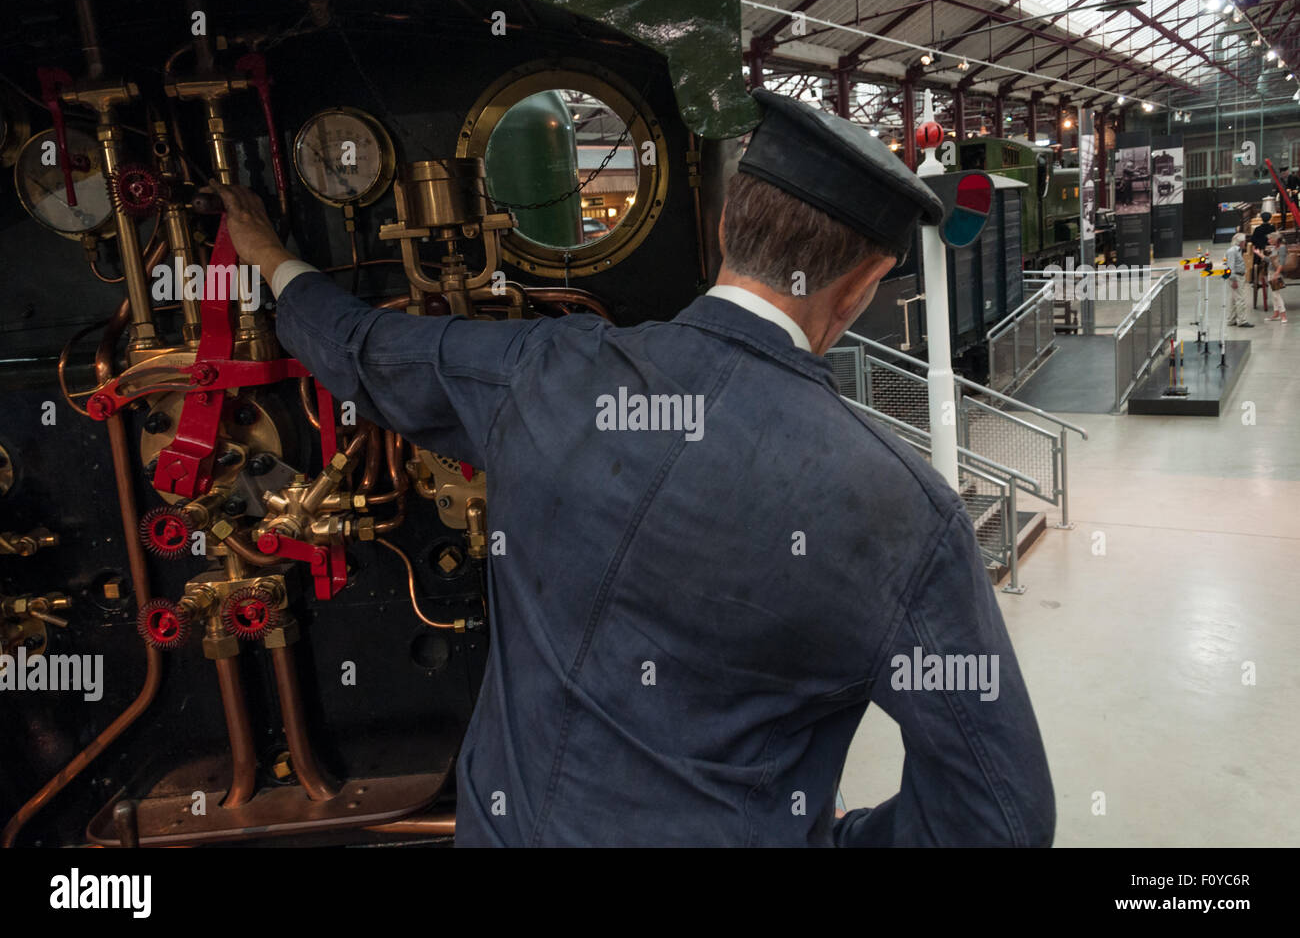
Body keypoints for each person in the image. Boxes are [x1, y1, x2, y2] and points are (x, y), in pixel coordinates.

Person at [208, 88, 1055, 847]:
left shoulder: (534, 372)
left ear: (727, 224)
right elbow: (1000, 816)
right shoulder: (899, 513)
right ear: (866, 283)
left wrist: (271, 259)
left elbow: (364, 349)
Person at [1257, 231, 1289, 323]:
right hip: (1271, 272)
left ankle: (1283, 315)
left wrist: (1277, 273)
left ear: (1275, 239)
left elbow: (1282, 262)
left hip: (1276, 273)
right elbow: (1270, 261)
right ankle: (1276, 314)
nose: (1268, 240)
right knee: (1274, 295)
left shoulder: (1282, 248)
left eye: (1270, 238)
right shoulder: (1275, 248)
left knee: (1276, 294)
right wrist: (1260, 254)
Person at [1226, 233, 1252, 327]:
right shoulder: (1232, 251)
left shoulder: (1237, 251)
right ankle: (1242, 320)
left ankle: (1231, 319)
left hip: (1238, 276)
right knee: (1240, 299)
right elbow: (1230, 267)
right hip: (1236, 277)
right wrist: (1233, 280)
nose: (1245, 242)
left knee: (1234, 299)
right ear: (1241, 242)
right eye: (1244, 241)